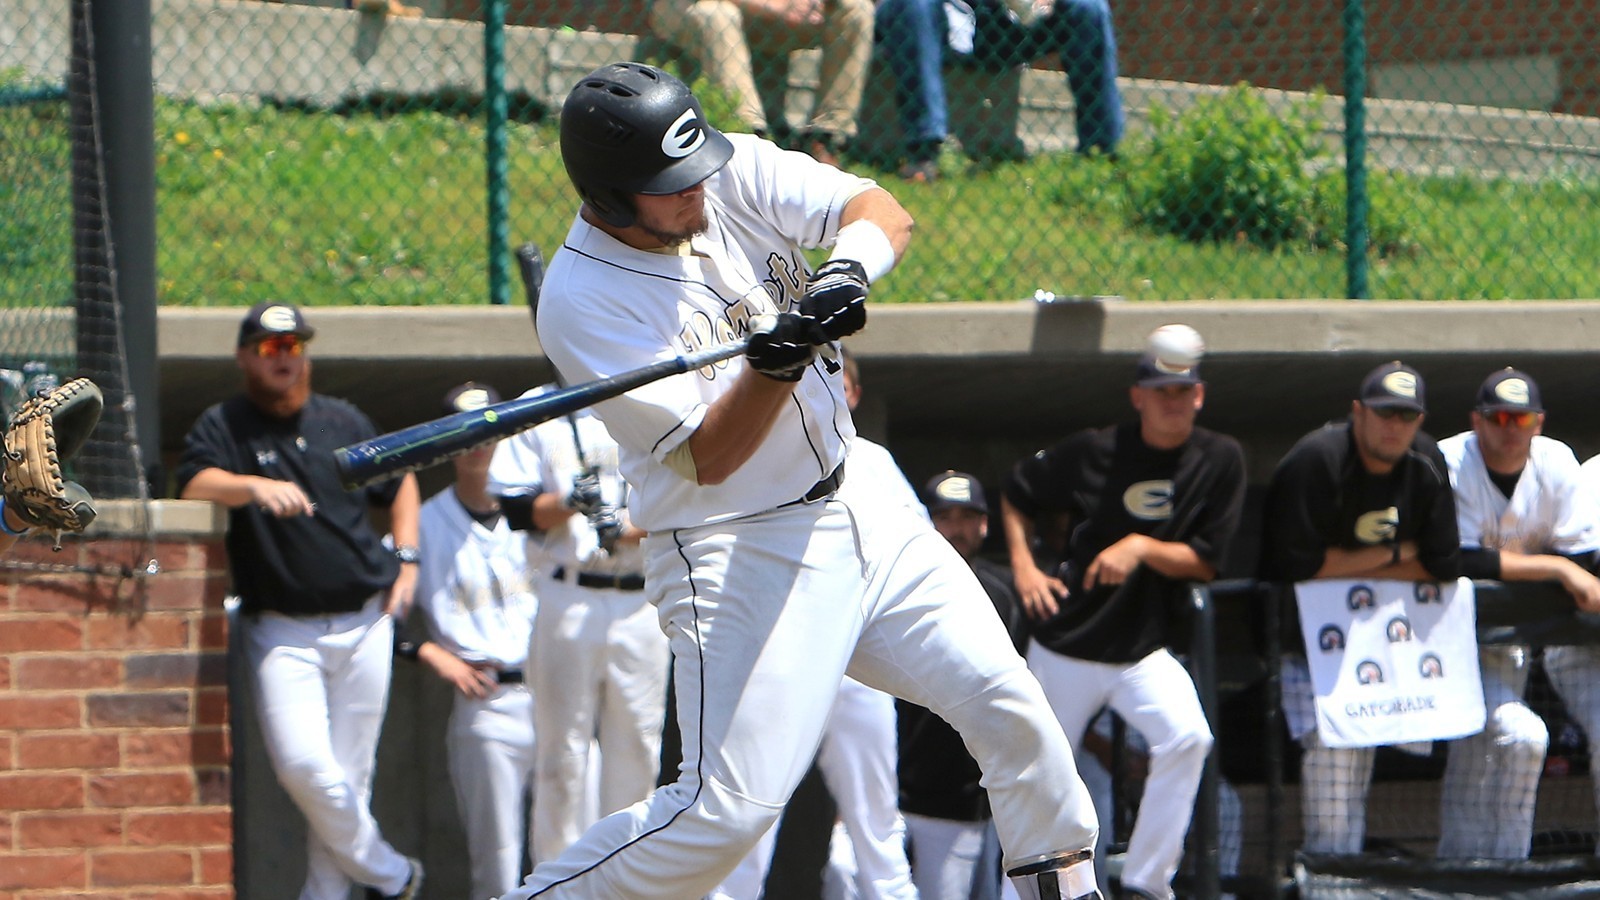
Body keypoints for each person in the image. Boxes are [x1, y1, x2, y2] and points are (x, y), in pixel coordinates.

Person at [499, 61, 1099, 900]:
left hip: (861, 501)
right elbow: (710, 456)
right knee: (723, 814)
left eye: (695, 168)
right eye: (669, 186)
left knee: (1009, 705)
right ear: (610, 197)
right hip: (739, 543)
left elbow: (880, 211)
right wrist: (774, 364)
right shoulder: (580, 298)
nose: (696, 190)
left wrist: (844, 274)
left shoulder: (726, 168)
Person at [175, 301, 423, 900]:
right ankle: (393, 875)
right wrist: (252, 487)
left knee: (349, 780)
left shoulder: (343, 419)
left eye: (293, 346)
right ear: (244, 357)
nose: (283, 358)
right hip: (282, 630)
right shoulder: (224, 425)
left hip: (365, 619)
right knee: (305, 768)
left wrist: (408, 558)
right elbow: (192, 485)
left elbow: (402, 478)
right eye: (269, 347)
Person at [999, 336, 1245, 900]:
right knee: (1037, 774)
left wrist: (1139, 547)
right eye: (1161, 391)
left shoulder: (1220, 458)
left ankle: (1146, 884)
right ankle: (1015, 894)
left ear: (1200, 395)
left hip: (1140, 650)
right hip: (1066, 645)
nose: (1172, 402)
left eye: (1183, 390)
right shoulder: (1095, 449)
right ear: (1138, 396)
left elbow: (1206, 562)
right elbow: (1017, 490)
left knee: (1188, 737)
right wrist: (1025, 569)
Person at [710, 348, 921, 900]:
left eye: (836, 381)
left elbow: (912, 552)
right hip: (779, 660)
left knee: (876, 822)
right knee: (748, 816)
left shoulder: (875, 461)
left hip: (857, 664)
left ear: (852, 394)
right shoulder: (756, 455)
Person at [1258, 360, 1461, 857]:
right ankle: (1328, 875)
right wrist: (1395, 554)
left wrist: (1347, 564)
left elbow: (1442, 563)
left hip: (1385, 639)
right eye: (1384, 413)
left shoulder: (1426, 460)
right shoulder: (1317, 460)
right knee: (1334, 748)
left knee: (1362, 748)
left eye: (1406, 416)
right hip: (1303, 640)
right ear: (1358, 412)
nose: (1395, 425)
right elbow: (1297, 566)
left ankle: (1344, 870)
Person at [487, 384, 672, 866]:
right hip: (569, 591)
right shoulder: (538, 404)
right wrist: (568, 500)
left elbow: (690, 495)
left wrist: (629, 525)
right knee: (561, 755)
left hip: (639, 597)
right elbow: (516, 508)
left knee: (638, 748)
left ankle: (624, 877)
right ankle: (559, 881)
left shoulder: (652, 394)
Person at [1439, 368, 1600, 859]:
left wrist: (1554, 568)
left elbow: (1583, 558)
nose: (1510, 429)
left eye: (1521, 418)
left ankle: (1498, 869)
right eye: (1499, 418)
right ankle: (1473, 869)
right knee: (1511, 741)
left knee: (1486, 753)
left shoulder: (1556, 463)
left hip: (1512, 641)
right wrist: (1554, 568)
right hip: (1448, 634)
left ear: (1539, 423)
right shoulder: (1448, 460)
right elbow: (1457, 559)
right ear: (1477, 420)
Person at [403, 382, 540, 898]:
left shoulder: (541, 510)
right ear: (446, 445)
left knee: (579, 842)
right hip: (489, 702)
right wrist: (427, 651)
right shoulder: (425, 521)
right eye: (464, 435)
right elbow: (372, 610)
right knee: (498, 862)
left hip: (559, 693)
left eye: (487, 432)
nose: (478, 446)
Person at [897, 470, 1029, 900]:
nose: (957, 528)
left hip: (971, 798)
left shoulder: (1005, 593)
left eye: (968, 517)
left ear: (985, 524)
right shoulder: (896, 588)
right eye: (945, 516)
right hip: (897, 788)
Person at [874, 0, 1123, 180]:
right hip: (932, 18)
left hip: (999, 24)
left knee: (1088, 7)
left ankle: (1101, 155)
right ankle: (924, 153)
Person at [647, 0, 873, 165]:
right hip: (687, 9)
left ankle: (826, 138)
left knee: (857, 10)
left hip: (779, 15)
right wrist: (774, 6)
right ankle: (749, 139)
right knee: (716, 15)